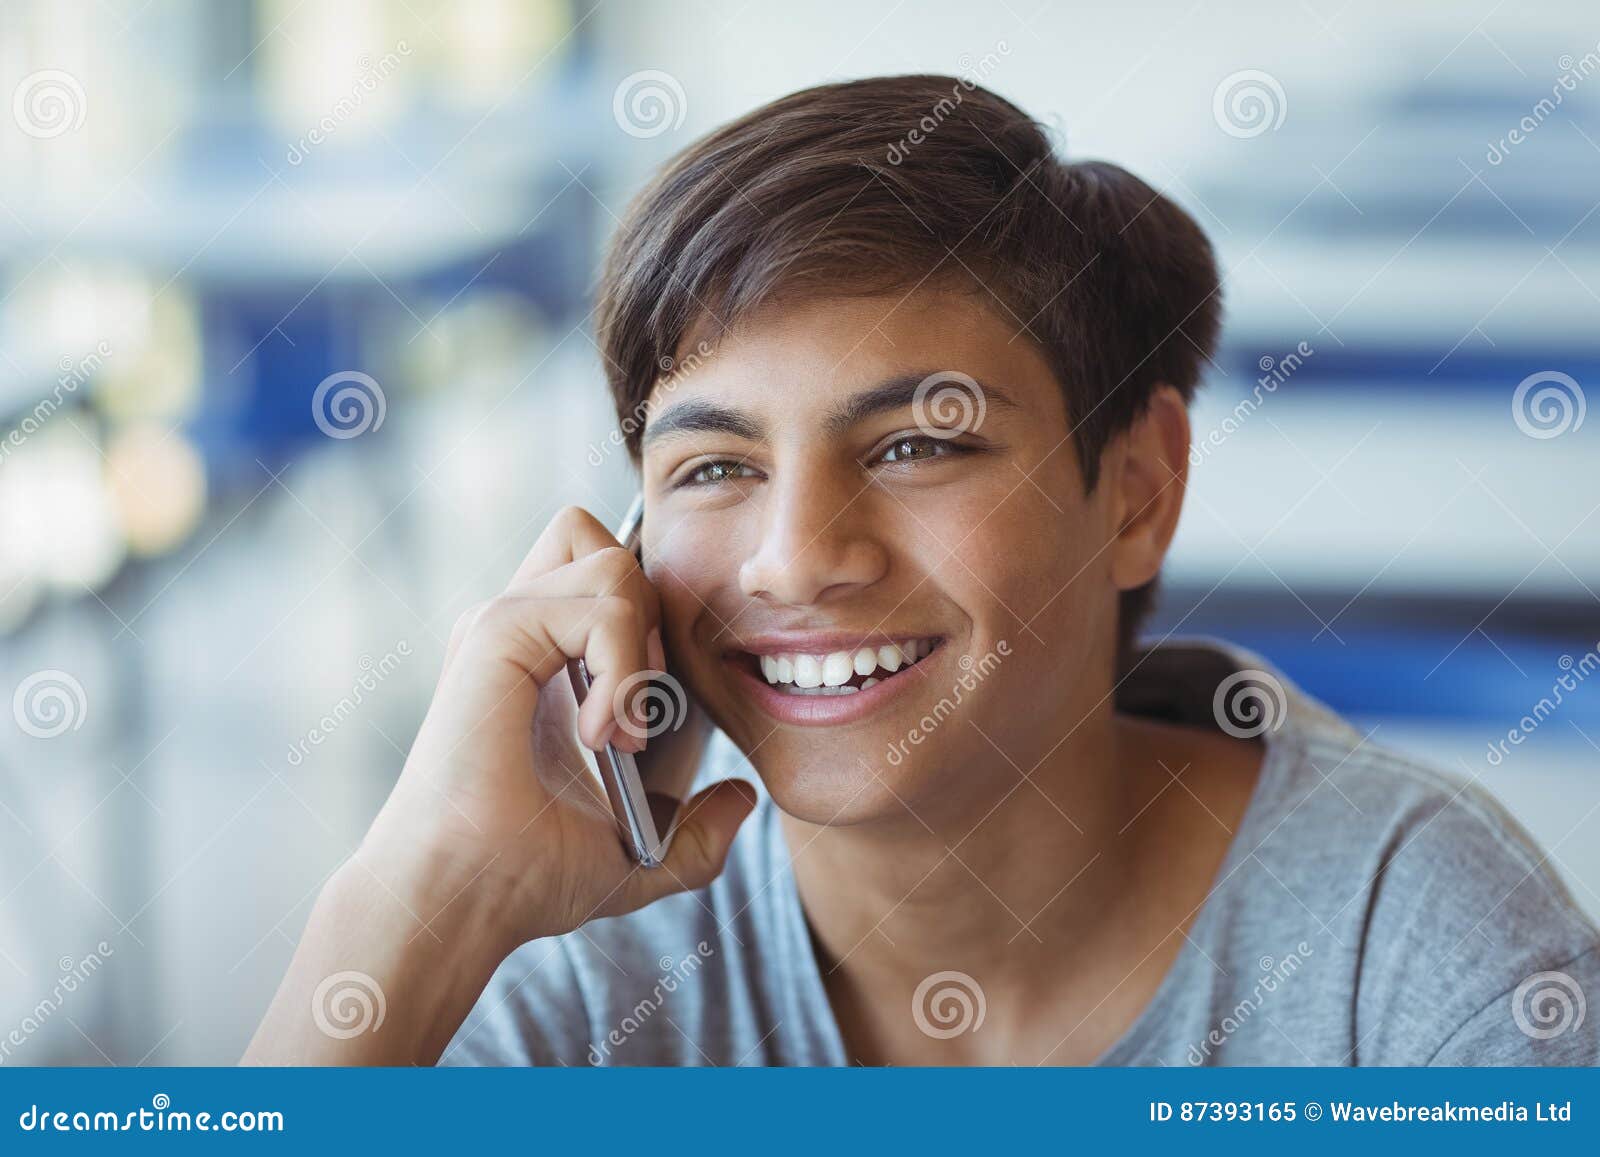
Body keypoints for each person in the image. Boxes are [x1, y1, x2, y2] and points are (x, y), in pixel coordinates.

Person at [246, 75, 1600, 1067]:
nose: (796, 560)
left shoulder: (1411, 955)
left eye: (914, 445)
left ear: (1137, 488)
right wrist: (416, 897)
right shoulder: (582, 961)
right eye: (714, 466)